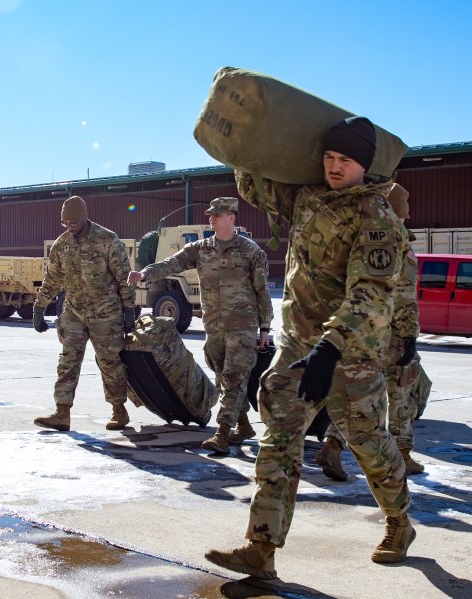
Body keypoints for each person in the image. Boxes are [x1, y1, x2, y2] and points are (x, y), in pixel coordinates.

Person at [204, 116, 414, 579]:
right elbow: (255, 185)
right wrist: (243, 141)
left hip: (350, 354)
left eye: (346, 160)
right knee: (278, 441)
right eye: (330, 157)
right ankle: (261, 549)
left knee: (367, 444)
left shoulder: (376, 218)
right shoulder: (307, 196)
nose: (335, 167)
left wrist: (332, 348)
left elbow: (370, 293)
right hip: (298, 346)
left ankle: (399, 520)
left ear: (364, 165)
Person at [127, 197, 273, 453]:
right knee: (223, 378)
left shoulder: (251, 252)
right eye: (211, 214)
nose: (212, 218)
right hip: (214, 326)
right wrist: (145, 274)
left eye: (217, 214)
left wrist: (264, 329)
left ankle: (223, 433)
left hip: (243, 326)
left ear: (231, 217)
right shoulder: (201, 249)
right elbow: (171, 263)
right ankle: (244, 425)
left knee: (234, 378)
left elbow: (262, 292)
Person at [315, 183, 424, 479]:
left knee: (360, 398)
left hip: (361, 335)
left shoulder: (360, 240)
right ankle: (402, 454)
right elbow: (404, 299)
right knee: (401, 393)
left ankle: (332, 444)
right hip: (390, 336)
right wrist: (409, 338)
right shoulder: (397, 243)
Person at [32, 195, 136, 432]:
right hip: (74, 313)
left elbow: (124, 278)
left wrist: (129, 310)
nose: (69, 227)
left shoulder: (107, 240)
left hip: (106, 315)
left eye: (73, 223)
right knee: (67, 362)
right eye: (65, 223)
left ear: (84, 218)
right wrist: (39, 307)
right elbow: (53, 279)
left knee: (110, 363)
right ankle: (62, 413)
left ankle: (119, 411)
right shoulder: (62, 244)